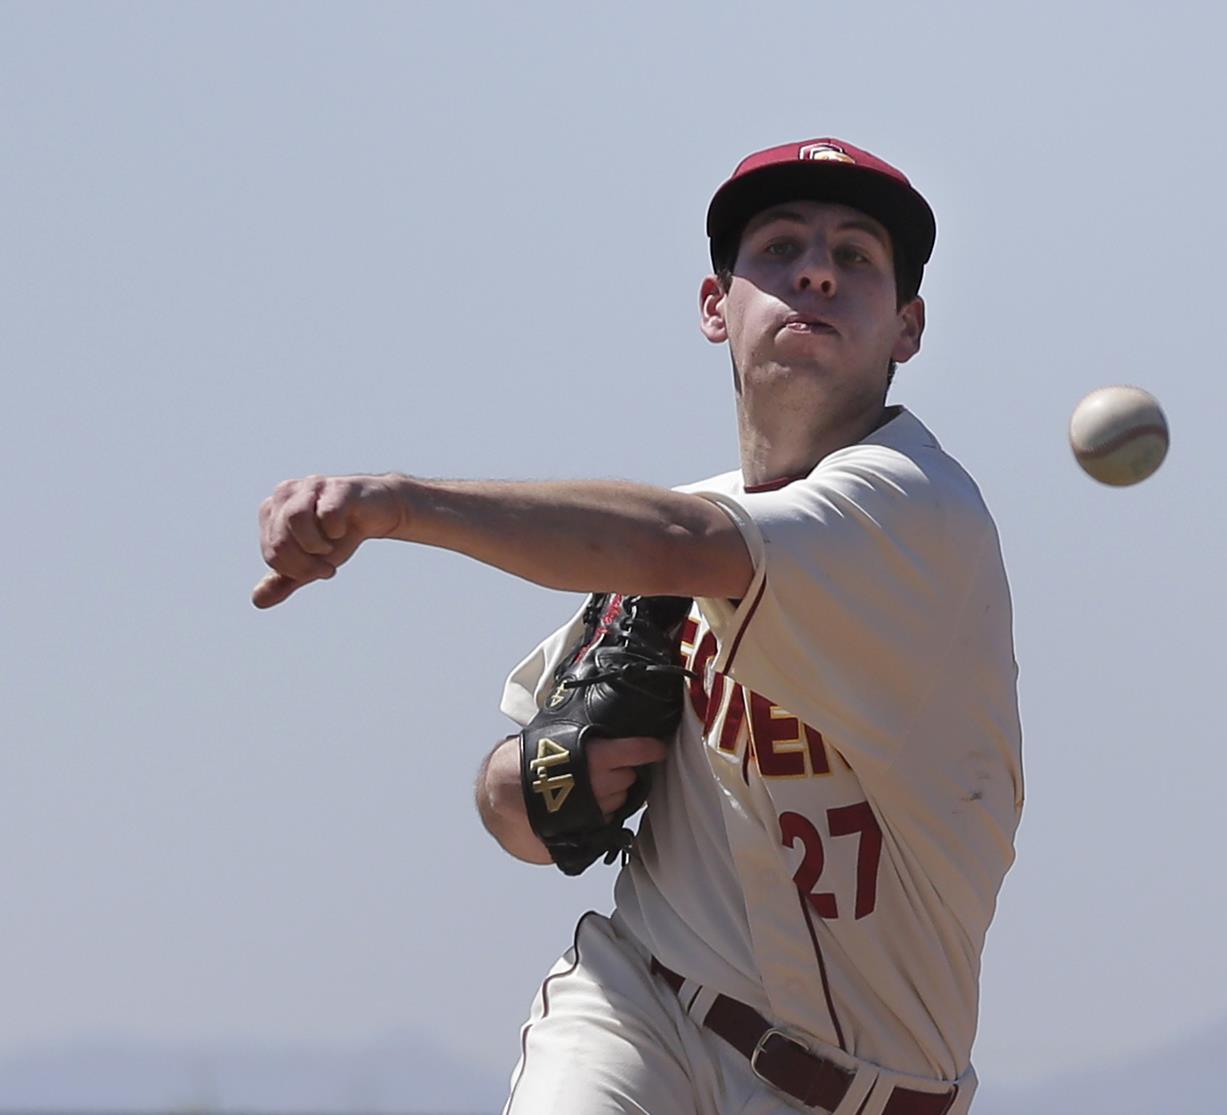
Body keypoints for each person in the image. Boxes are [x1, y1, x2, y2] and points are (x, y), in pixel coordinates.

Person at [255, 137, 1023, 1115]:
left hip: (869, 1090)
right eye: (779, 246)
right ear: (716, 306)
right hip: (642, 1010)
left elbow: (682, 540)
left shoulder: (913, 511)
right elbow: (514, 809)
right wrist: (534, 776)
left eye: (856, 256)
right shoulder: (656, 544)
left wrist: (400, 503)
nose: (816, 268)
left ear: (907, 328)